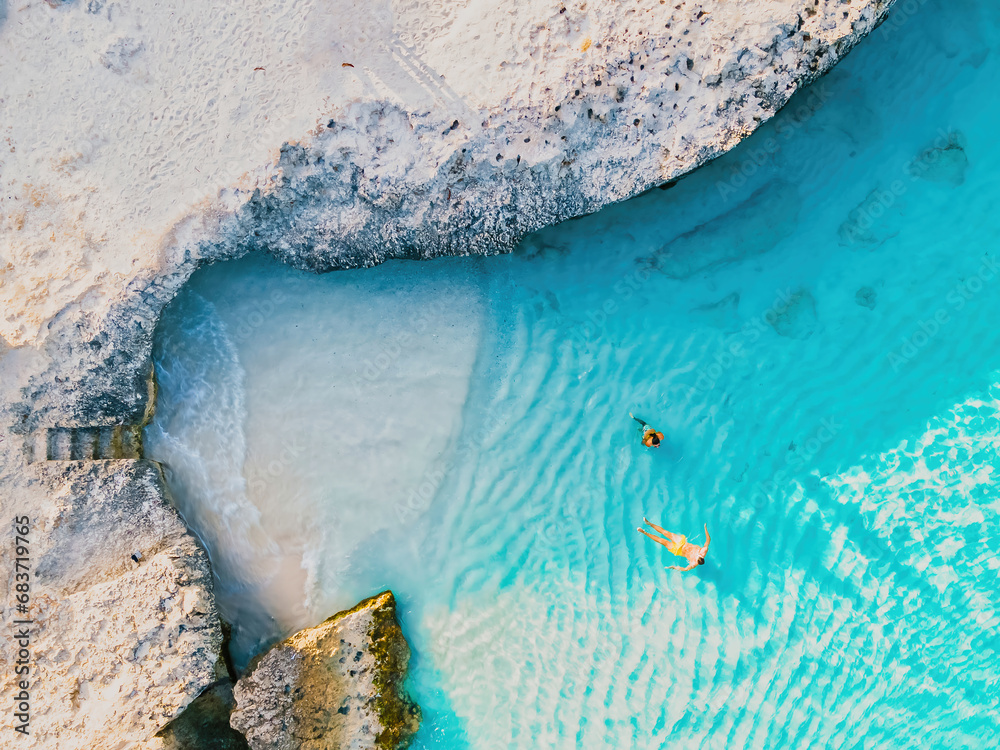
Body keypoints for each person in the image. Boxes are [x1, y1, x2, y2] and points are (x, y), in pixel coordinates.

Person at [637, 518, 710, 571]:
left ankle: (644, 532)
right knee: (665, 532)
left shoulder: (694, 564)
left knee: (661, 540)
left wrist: (674, 567)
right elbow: (708, 540)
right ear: (701, 556)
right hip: (682, 542)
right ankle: (649, 523)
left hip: (678, 551)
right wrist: (705, 528)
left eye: (697, 558)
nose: (697, 556)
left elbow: (685, 569)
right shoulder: (703, 551)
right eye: (699, 556)